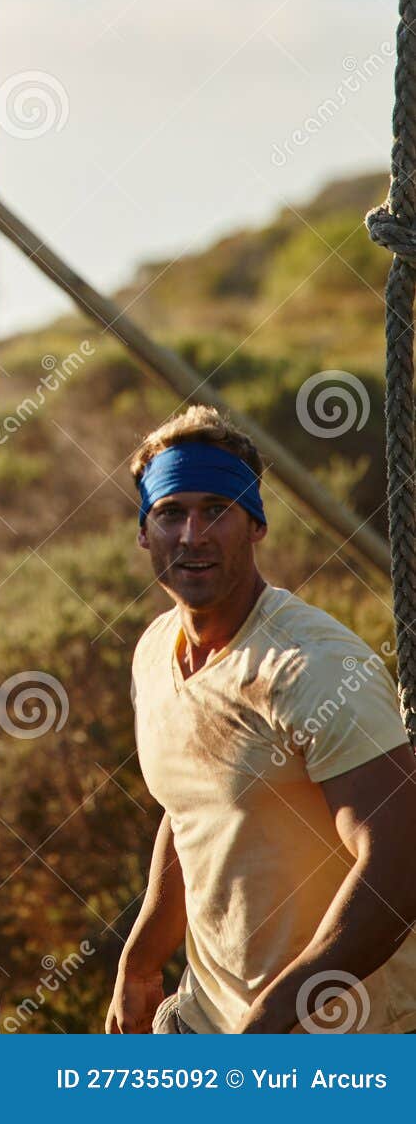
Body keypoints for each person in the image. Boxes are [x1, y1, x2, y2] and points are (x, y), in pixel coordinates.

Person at [105, 404, 416, 1035]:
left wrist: (280, 1012)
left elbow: (400, 865)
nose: (192, 535)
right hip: (207, 1019)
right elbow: (192, 809)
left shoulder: (312, 667)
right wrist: (140, 961)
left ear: (255, 526)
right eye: (170, 512)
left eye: (216, 510)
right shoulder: (154, 650)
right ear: (144, 531)